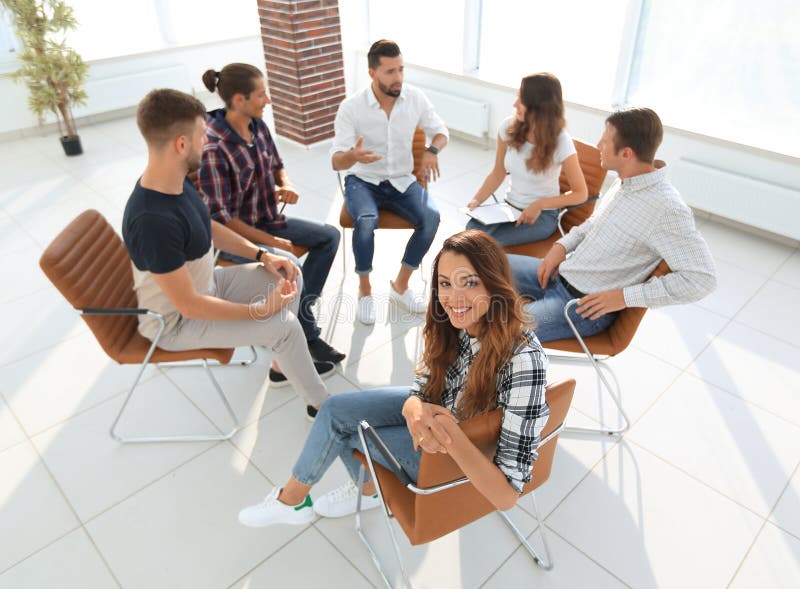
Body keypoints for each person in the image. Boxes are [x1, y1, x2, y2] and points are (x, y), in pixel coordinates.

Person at [237, 230, 550, 527]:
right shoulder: (453, 320)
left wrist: (445, 432)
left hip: (458, 457)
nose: (454, 298)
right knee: (333, 411)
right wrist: (414, 407)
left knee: (347, 434)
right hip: (441, 413)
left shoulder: (523, 360)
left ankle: (367, 491)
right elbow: (424, 386)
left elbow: (507, 494)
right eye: (445, 283)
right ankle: (293, 500)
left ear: (494, 284)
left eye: (469, 283)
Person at [122, 88, 333, 421]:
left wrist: (263, 256)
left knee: (288, 270)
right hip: (176, 323)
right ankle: (325, 408)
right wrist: (259, 311)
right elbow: (189, 306)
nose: (208, 141)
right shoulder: (152, 220)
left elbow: (207, 226)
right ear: (181, 144)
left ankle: (280, 367)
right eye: (202, 135)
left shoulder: (174, 181)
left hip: (207, 285)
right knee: (285, 326)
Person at [507, 107, 717, 342]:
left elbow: (703, 278)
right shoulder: (625, 181)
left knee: (501, 333)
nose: (598, 146)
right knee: (474, 263)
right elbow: (595, 223)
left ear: (626, 153)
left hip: (581, 307)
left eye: (605, 142)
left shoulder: (667, 209)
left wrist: (624, 297)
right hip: (560, 275)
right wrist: (562, 246)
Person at [198, 63, 345, 365]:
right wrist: (274, 244)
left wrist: (286, 185)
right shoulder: (213, 148)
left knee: (328, 237)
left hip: (266, 218)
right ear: (239, 99)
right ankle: (307, 335)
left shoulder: (257, 125)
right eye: (262, 95)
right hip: (235, 237)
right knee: (289, 264)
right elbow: (222, 220)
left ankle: (298, 316)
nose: (268, 101)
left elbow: (277, 165)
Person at [331, 39, 449, 325]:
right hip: (363, 180)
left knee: (432, 217)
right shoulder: (351, 107)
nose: (398, 78)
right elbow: (337, 162)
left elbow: (441, 131)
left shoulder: (415, 98)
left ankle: (400, 286)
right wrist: (352, 156)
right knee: (366, 219)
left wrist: (432, 151)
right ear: (372, 73)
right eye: (390, 72)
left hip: (401, 180)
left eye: (401, 70)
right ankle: (365, 291)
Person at [466, 73, 588, 246]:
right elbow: (498, 172)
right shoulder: (508, 127)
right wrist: (476, 201)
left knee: (483, 245)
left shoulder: (561, 141)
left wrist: (539, 204)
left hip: (542, 216)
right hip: (509, 208)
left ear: (539, 106)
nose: (515, 104)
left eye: (521, 100)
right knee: (467, 234)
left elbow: (580, 193)